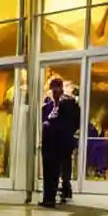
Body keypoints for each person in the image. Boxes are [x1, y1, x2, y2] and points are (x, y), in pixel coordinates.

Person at [39, 75, 80, 208]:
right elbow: (44, 120)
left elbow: (73, 122)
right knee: (50, 170)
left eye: (57, 88)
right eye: (52, 89)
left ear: (61, 89)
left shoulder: (68, 103)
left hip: (62, 142)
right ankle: (48, 198)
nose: (54, 92)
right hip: (49, 143)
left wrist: (68, 134)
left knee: (63, 168)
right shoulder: (48, 106)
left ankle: (65, 191)